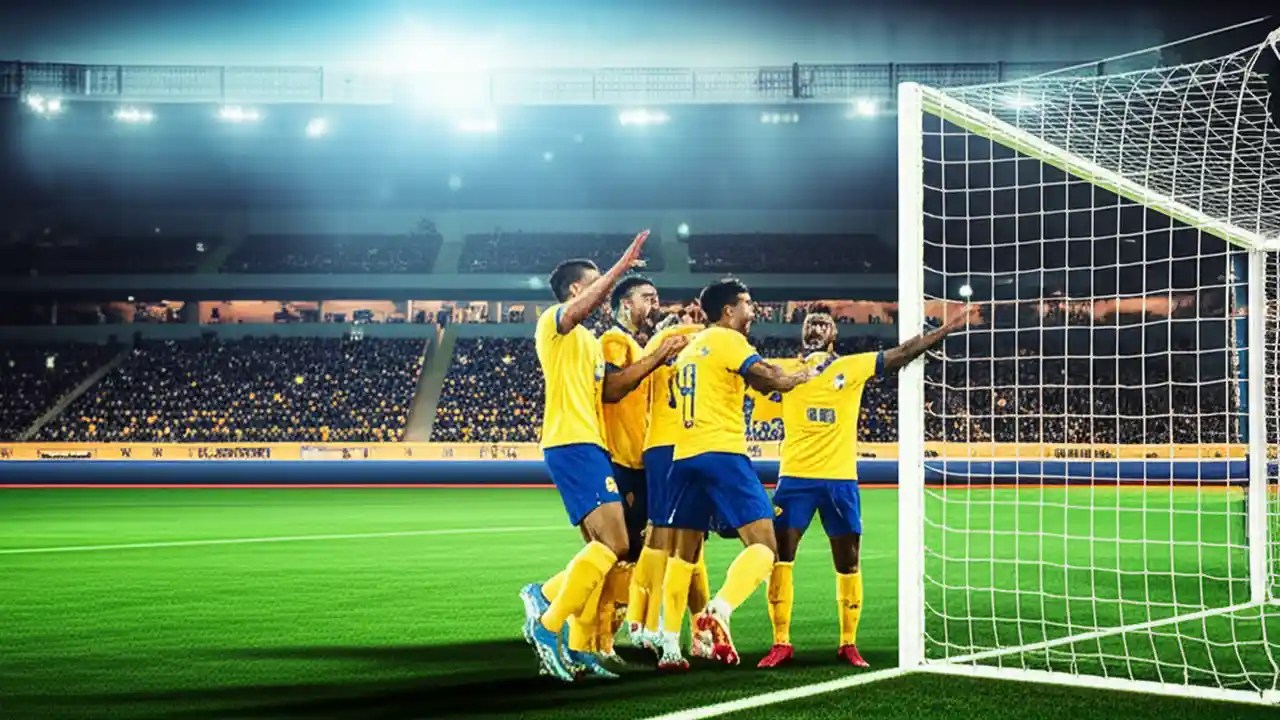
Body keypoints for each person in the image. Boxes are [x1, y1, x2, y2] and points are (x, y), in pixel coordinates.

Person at [757, 304, 973, 669]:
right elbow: (746, 375)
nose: (816, 329)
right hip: (795, 478)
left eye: (823, 324)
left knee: (849, 560)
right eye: (810, 324)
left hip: (840, 480)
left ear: (834, 336)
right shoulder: (785, 371)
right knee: (781, 557)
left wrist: (944, 330)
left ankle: (848, 642)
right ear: (801, 333)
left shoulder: (850, 366)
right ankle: (781, 642)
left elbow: (902, 353)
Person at [517, 230, 682, 682]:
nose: (603, 290)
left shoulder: (589, 344)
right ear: (577, 289)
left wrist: (657, 353)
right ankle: (546, 612)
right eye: (596, 284)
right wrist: (621, 267)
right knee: (618, 544)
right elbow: (586, 307)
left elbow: (609, 390)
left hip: (591, 444)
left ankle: (578, 642)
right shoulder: (554, 323)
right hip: (571, 441)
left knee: (603, 550)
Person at [653, 277, 816, 669]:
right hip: (722, 452)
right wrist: (802, 376)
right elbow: (769, 378)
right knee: (765, 547)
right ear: (728, 311)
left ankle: (673, 646)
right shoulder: (729, 340)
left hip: (683, 455)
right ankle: (719, 610)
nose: (752, 309)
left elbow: (745, 383)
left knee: (683, 556)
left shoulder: (692, 349)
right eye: (747, 302)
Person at [581, 276, 688, 664]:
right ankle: (596, 638)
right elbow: (611, 388)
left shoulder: (641, 345)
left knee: (640, 553)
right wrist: (658, 355)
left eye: (657, 297)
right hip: (619, 461)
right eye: (648, 298)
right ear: (625, 305)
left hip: (642, 462)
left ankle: (622, 631)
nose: (654, 304)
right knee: (615, 553)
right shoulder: (614, 340)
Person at [624, 301, 708, 659]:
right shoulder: (703, 338)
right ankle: (663, 625)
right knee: (679, 539)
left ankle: (644, 622)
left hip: (658, 444)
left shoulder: (655, 343)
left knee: (674, 538)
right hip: (683, 444)